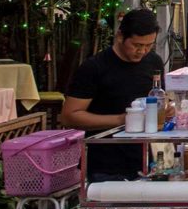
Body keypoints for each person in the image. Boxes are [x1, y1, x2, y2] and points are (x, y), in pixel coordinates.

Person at [61, 9, 171, 181]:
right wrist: (121, 119)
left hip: (147, 160)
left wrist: (165, 110)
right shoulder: (94, 67)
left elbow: (158, 100)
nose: (142, 51)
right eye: (136, 45)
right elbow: (69, 116)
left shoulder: (154, 62)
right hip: (106, 163)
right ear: (120, 36)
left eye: (148, 45)